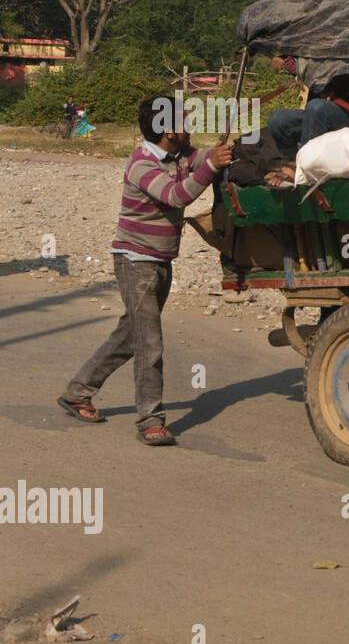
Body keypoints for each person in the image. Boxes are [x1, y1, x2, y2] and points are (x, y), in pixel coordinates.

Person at [56, 94, 233, 445]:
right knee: (149, 343)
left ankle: (78, 390)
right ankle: (150, 420)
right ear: (167, 130)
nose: (189, 125)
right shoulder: (141, 164)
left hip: (160, 261)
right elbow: (177, 195)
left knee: (129, 337)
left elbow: (206, 158)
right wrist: (211, 165)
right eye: (183, 120)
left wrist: (222, 154)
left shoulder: (181, 154)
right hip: (135, 262)